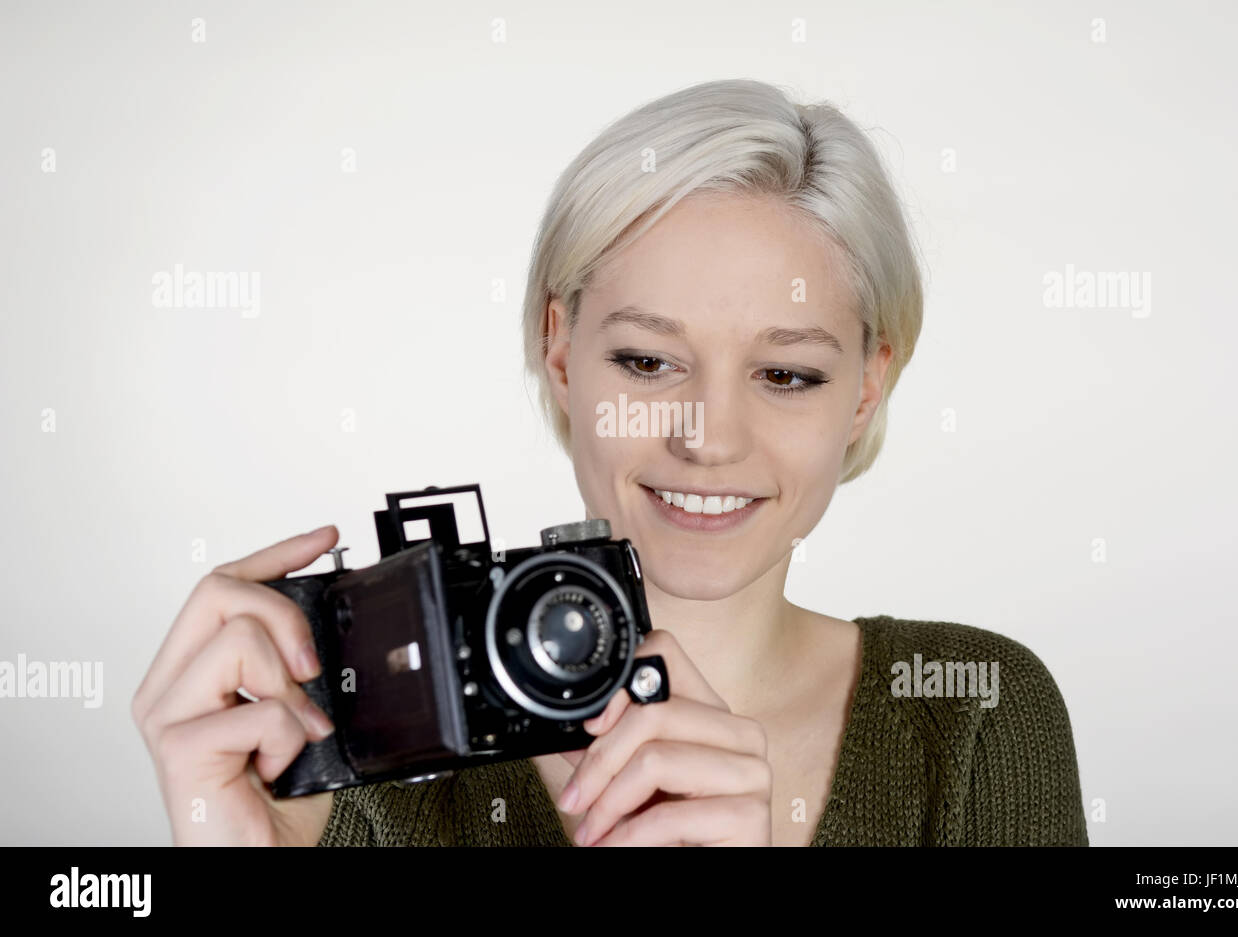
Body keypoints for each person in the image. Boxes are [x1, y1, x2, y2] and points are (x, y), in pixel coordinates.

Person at [134, 78, 1087, 846]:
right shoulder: (367, 744)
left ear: (867, 390)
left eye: (787, 373)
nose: (709, 438)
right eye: (647, 360)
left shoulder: (972, 712)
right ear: (560, 352)